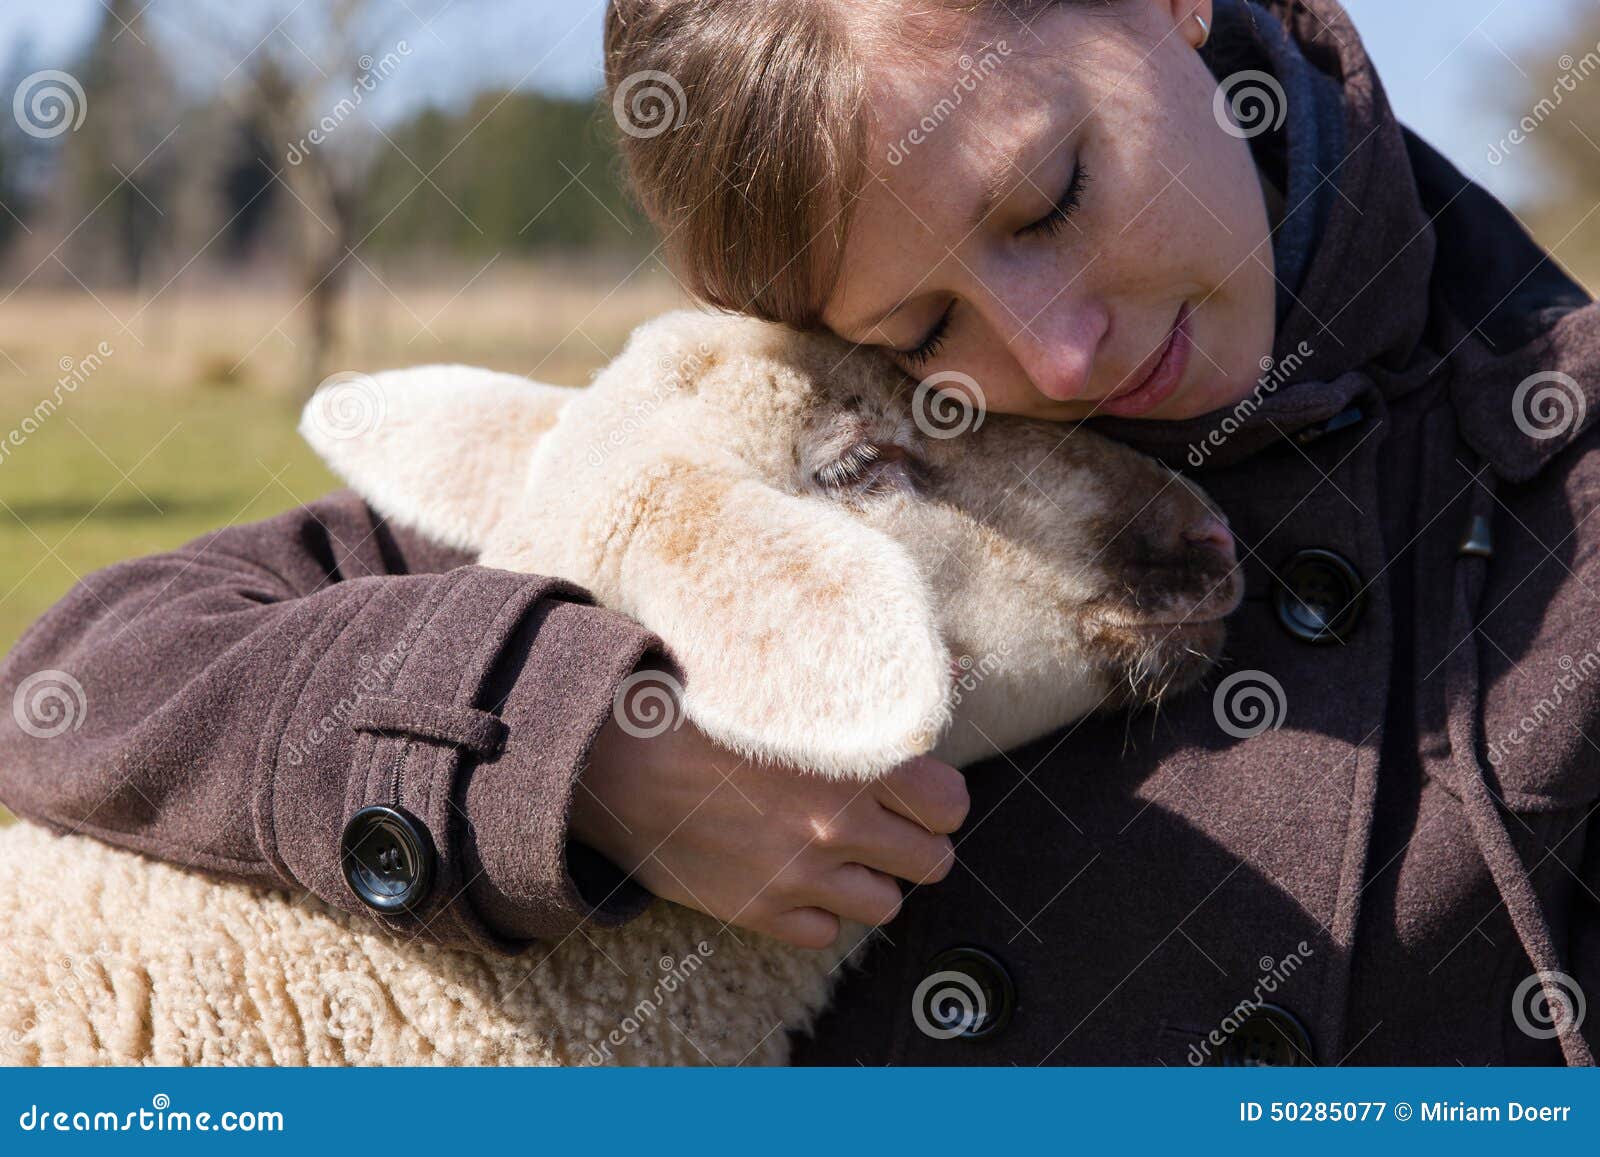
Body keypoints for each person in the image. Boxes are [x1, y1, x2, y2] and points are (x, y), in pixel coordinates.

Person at [3, 0, 1598, 1065]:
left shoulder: (1567, 498)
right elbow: (81, 685)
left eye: (1049, 196)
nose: (1050, 358)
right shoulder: (787, 437)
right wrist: (577, 746)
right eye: (919, 325)